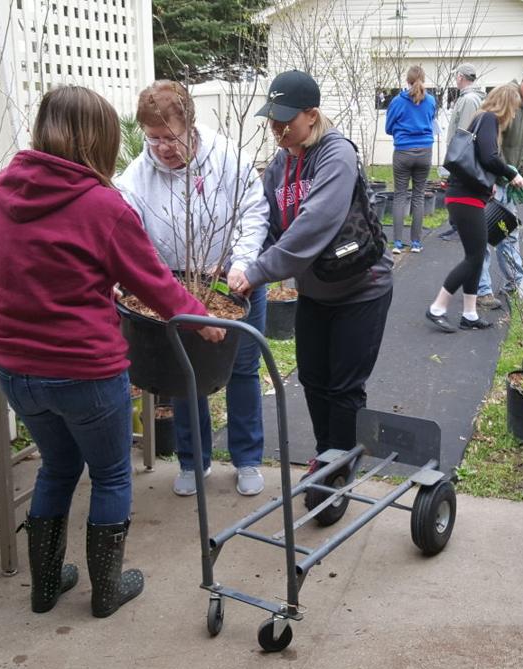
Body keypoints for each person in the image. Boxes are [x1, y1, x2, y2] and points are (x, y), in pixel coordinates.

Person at [0, 86, 225, 619]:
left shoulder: (5, 189)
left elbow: (11, 259)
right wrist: (202, 321)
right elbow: (157, 284)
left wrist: (91, 282)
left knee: (56, 468)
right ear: (100, 137)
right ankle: (107, 591)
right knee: (112, 475)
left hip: (16, 369)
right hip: (83, 370)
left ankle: (45, 587)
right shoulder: (100, 203)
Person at [114, 81, 271, 498]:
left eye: (171, 137)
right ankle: (192, 460)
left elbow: (253, 211)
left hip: (229, 282)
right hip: (175, 287)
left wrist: (242, 264)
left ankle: (248, 459)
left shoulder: (227, 159)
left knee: (242, 370)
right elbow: (124, 233)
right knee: (184, 375)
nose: (163, 148)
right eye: (154, 139)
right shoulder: (134, 178)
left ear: (191, 125)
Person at [228, 70, 394, 456]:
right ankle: (326, 456)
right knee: (314, 379)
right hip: (316, 291)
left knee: (344, 388)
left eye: (285, 120)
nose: (276, 128)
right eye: (272, 119)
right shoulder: (278, 167)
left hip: (362, 287)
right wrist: (238, 261)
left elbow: (314, 224)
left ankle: (338, 470)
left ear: (312, 115)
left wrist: (257, 272)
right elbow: (266, 224)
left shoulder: (337, 153)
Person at [424, 85, 523, 333]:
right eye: (513, 109)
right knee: (474, 256)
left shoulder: (480, 118)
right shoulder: (490, 119)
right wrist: (510, 173)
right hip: (465, 198)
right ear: (506, 105)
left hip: (465, 197)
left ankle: (469, 314)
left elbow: (481, 159)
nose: (513, 115)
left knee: (475, 253)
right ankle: (437, 308)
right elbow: (489, 157)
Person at [476, 67, 523, 308]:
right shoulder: (506, 98)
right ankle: (482, 291)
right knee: (484, 239)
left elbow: (520, 147)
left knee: (508, 234)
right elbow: (490, 144)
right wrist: (494, 177)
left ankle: (515, 282)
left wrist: (522, 171)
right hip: (490, 183)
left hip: (508, 183)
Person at [385, 65, 437, 255]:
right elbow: (431, 121)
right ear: (423, 79)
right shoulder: (431, 101)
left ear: (407, 80)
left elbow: (388, 128)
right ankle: (416, 243)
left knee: (400, 195)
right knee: (418, 195)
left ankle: (397, 243)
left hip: (403, 151)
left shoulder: (398, 101)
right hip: (425, 151)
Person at [438, 63, 485, 243]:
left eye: (456, 76)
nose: (455, 79)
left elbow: (465, 131)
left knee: (458, 191)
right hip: (465, 155)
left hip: (462, 156)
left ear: (460, 77)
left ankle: (461, 229)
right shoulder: (471, 97)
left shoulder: (468, 100)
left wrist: (457, 157)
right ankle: (459, 227)